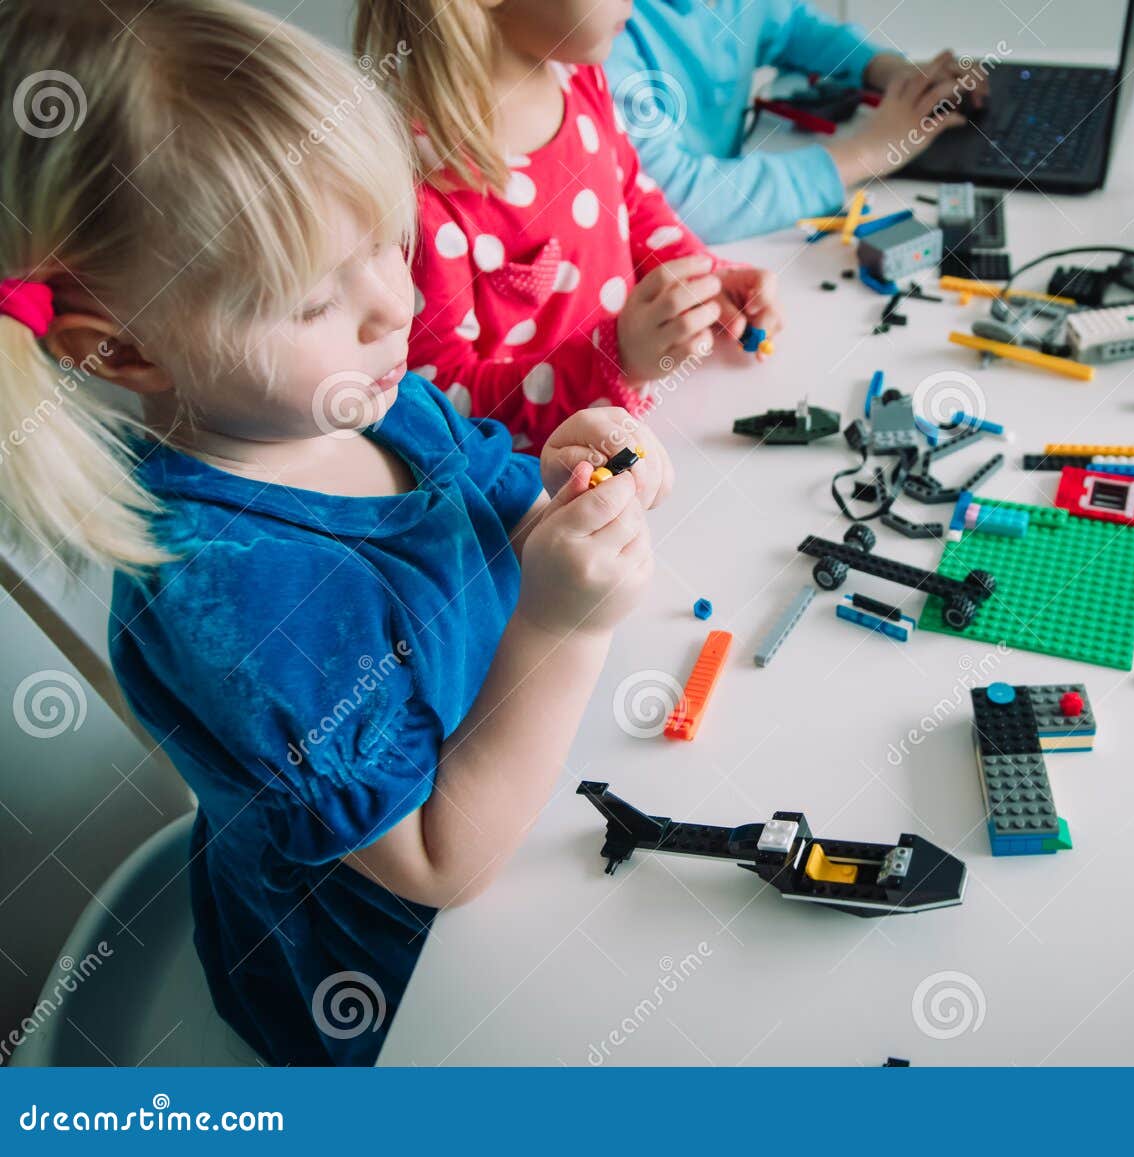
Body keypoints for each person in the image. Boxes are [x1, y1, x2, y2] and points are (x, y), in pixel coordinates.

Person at [0, 0, 667, 1065]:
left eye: (388, 241)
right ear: (121, 353)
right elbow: (441, 862)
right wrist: (567, 625)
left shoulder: (369, 397)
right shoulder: (234, 598)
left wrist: (579, 472)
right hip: (395, 989)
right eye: (314, 299)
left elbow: (502, 496)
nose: (389, 304)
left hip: (542, 806)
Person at [356, 0, 783, 450]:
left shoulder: (578, 77)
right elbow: (443, 402)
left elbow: (631, 200)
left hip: (647, 425)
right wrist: (615, 360)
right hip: (543, 487)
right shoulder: (418, 186)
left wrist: (700, 279)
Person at [605, 0, 986, 241]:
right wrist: (868, 152)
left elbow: (790, 28)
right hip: (661, 262)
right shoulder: (604, 29)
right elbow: (678, 203)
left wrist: (889, 71)